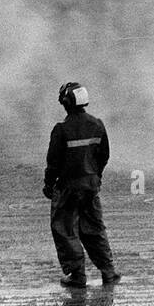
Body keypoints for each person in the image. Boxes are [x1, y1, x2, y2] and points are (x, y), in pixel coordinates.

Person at [43, 82, 120, 288]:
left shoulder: (61, 130)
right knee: (94, 228)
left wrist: (49, 186)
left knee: (65, 229)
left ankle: (77, 275)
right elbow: (104, 156)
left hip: (68, 188)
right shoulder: (97, 124)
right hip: (91, 186)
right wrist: (96, 176)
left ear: (66, 103)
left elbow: (53, 164)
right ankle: (109, 271)